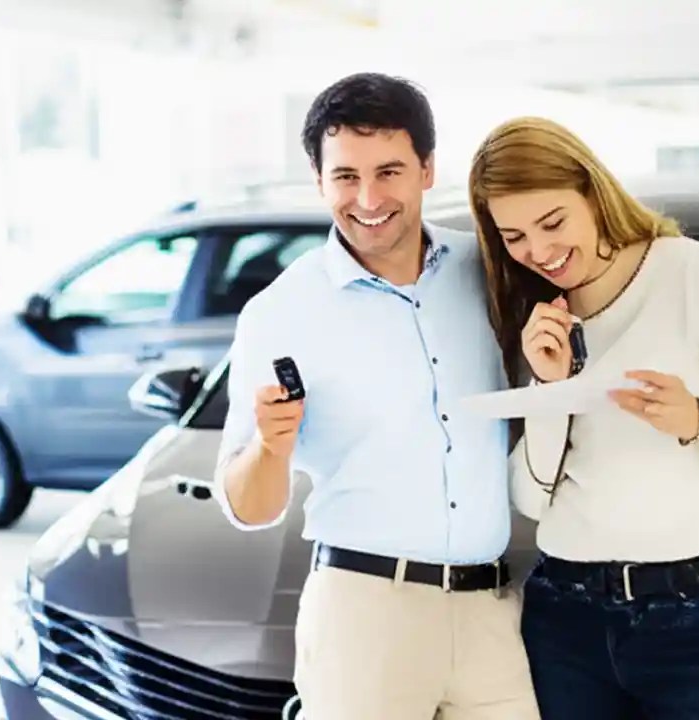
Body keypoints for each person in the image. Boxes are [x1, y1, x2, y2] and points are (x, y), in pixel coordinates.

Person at [467, 116, 699, 720]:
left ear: (593, 190)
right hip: (567, 614)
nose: (539, 251)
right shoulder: (536, 315)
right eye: (514, 236)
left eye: (552, 222)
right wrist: (550, 389)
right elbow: (532, 497)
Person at [213, 73, 540, 720]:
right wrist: (272, 448)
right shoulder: (278, 313)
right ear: (320, 180)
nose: (367, 198)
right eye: (345, 177)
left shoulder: (492, 273)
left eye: (389, 171)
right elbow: (248, 507)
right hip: (365, 615)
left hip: (492, 616)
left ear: (427, 169)